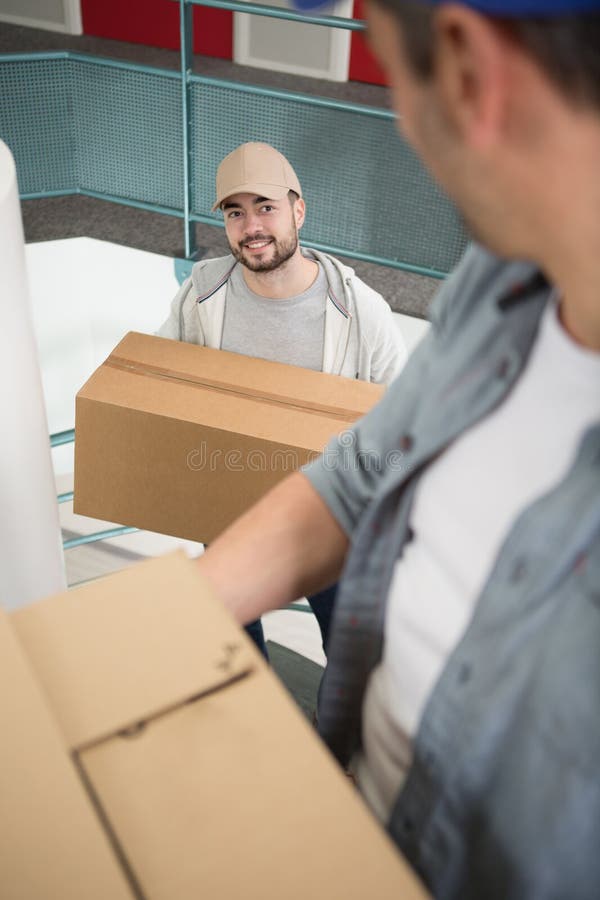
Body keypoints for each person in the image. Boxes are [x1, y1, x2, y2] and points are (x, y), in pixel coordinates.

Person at [194, 1, 600, 896]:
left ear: (464, 71)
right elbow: (362, 468)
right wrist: (178, 617)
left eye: (386, 66)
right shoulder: (496, 281)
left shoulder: (362, 309)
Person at [158, 141, 407, 658]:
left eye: (266, 208)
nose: (251, 227)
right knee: (233, 649)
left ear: (298, 209)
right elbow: (161, 382)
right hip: (227, 510)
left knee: (348, 653)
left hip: (325, 521)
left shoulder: (362, 310)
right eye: (235, 212)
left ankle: (335, 740)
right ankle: (255, 735)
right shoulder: (202, 294)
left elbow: (402, 418)